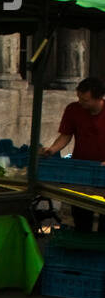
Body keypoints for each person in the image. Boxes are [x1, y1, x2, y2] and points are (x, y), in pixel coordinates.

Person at [42, 76, 105, 232]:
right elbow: (65, 135)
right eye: (79, 98)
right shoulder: (73, 109)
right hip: (81, 168)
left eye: (85, 100)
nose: (81, 102)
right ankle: (82, 239)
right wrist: (52, 149)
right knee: (81, 209)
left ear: (99, 99)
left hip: (102, 168)